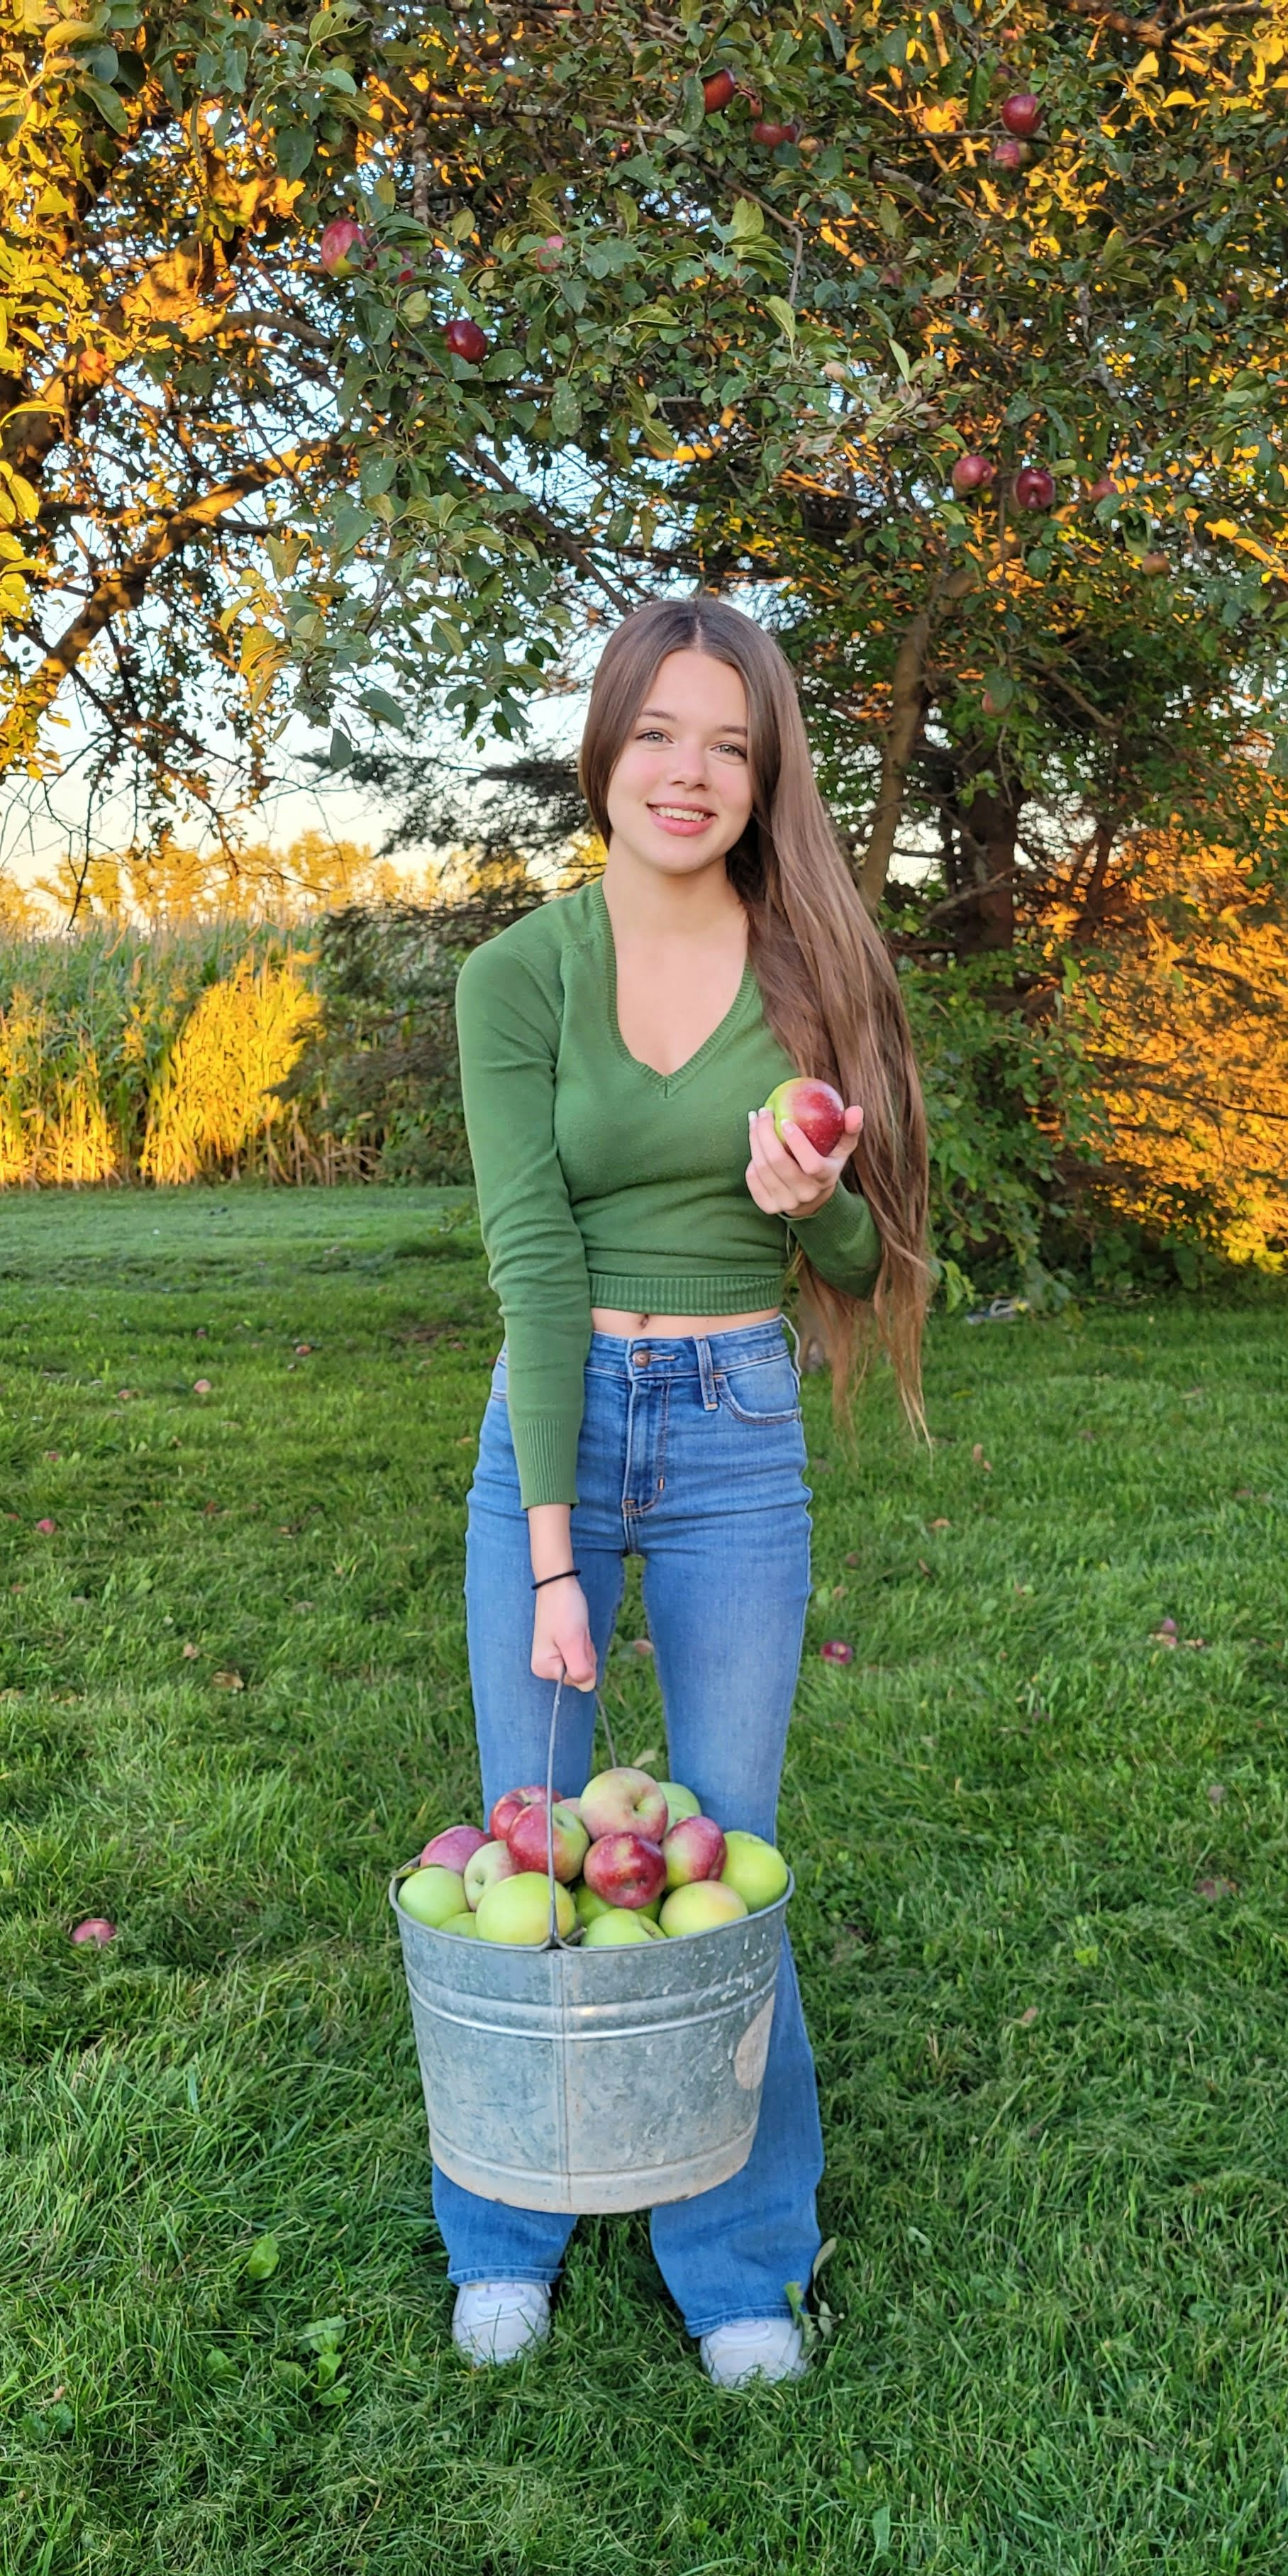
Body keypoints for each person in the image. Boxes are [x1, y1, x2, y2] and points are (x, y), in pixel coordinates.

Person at [444, 595, 930, 2385]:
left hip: (734, 1420)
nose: (690, 772)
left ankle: (732, 2258)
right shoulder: (520, 977)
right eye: (659, 731)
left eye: (730, 742)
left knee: (723, 1848)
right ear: (607, 747)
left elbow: (876, 1259)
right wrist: (556, 1556)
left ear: (765, 770)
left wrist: (818, 1206)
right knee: (528, 1824)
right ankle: (507, 2223)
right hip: (550, 1429)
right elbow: (530, 1259)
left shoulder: (810, 968)